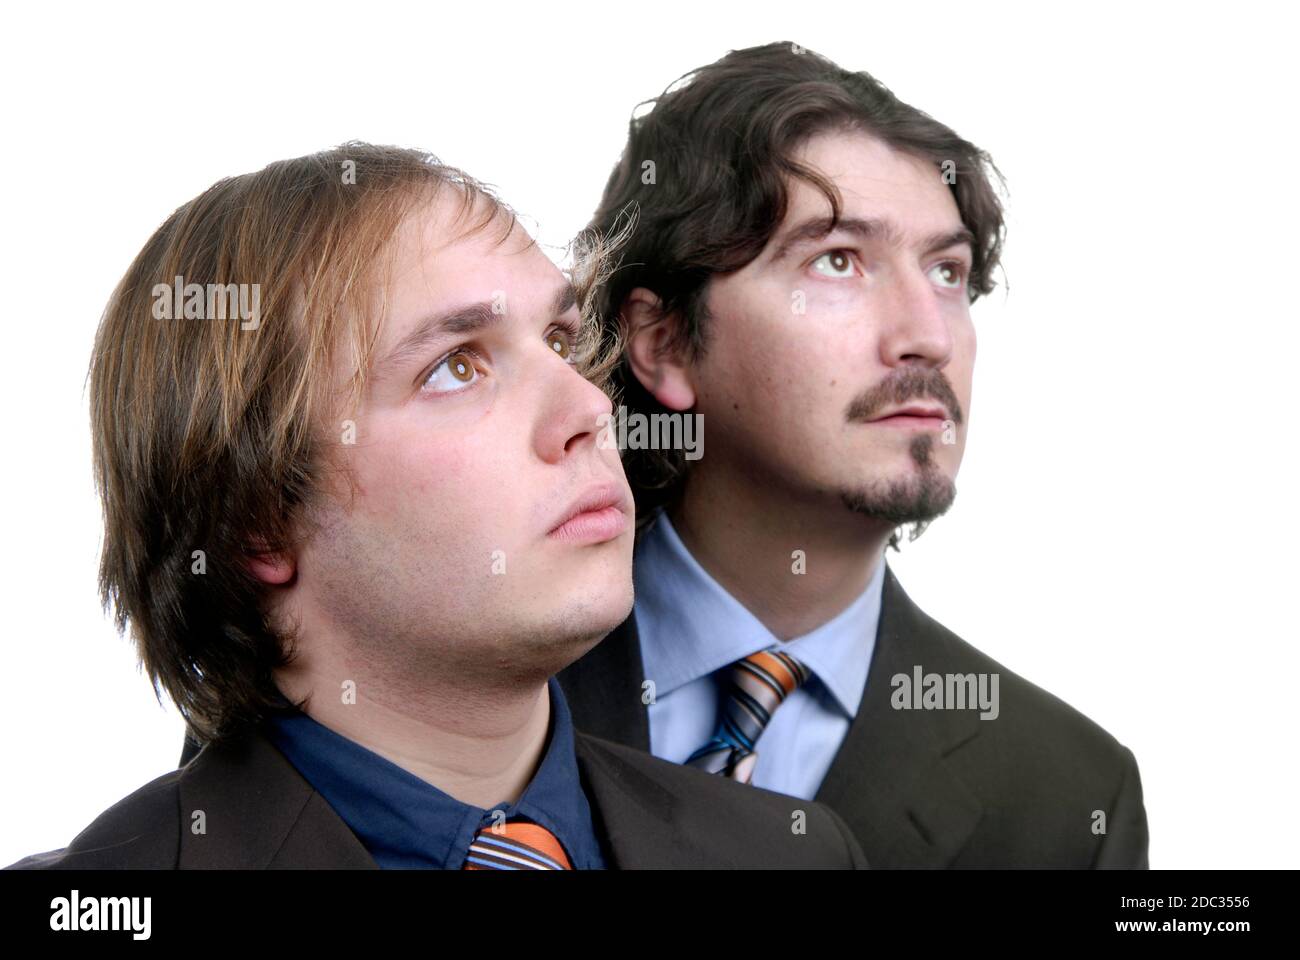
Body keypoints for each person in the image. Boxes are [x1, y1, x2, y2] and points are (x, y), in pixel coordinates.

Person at [7, 143, 865, 870]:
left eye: (562, 342)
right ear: (257, 521)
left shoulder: (796, 854)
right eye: (457, 365)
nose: (590, 410)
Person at [556, 43, 1150, 868]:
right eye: (838, 260)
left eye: (948, 272)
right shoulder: (460, 674)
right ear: (662, 343)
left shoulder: (1070, 795)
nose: (927, 336)